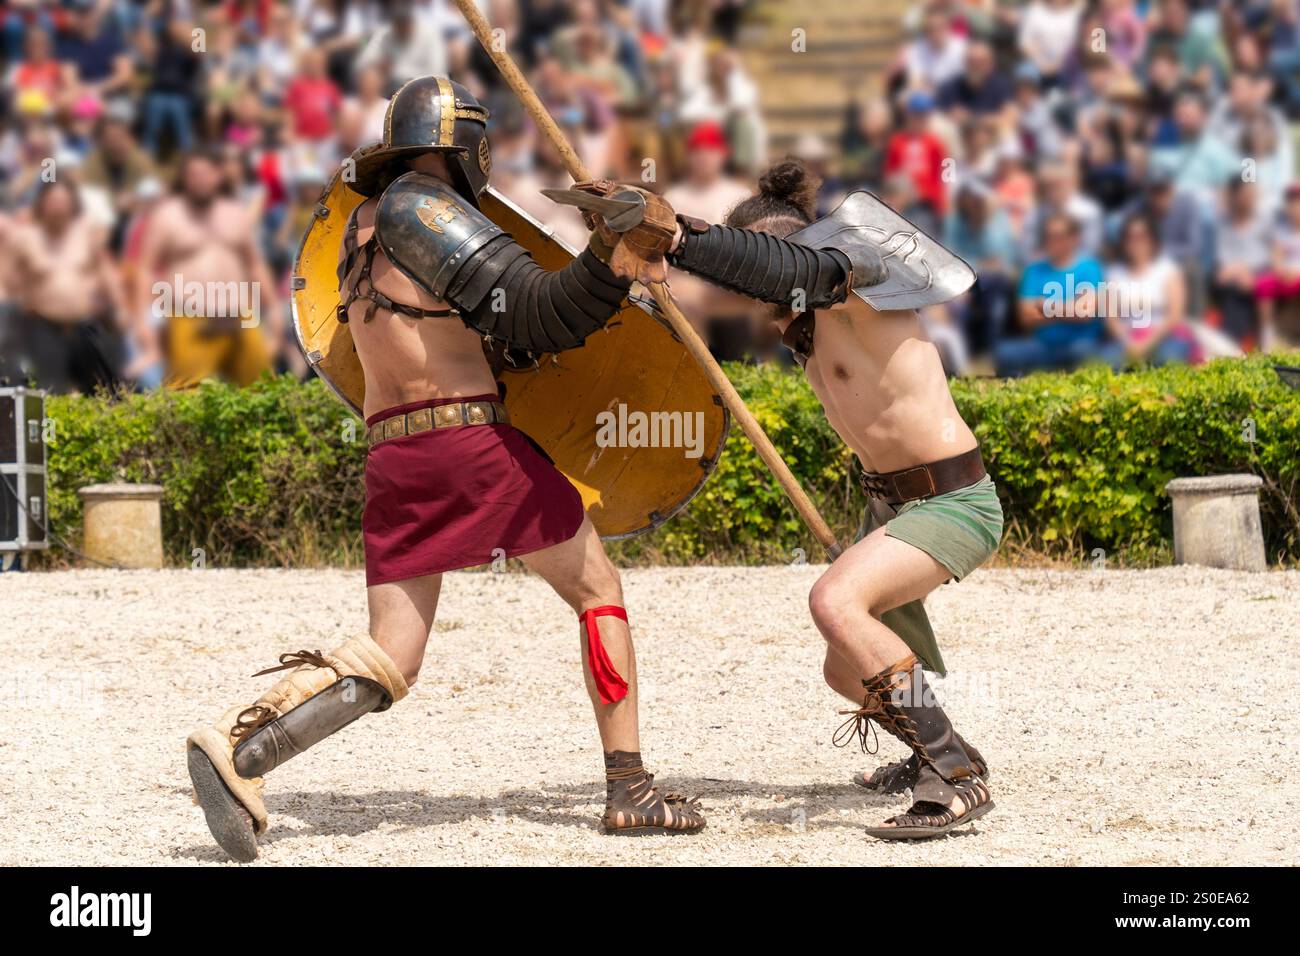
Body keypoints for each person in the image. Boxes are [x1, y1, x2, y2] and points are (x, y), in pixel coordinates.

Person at [186, 77, 706, 862]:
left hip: (396, 451)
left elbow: (490, 333)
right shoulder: (420, 206)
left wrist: (611, 249)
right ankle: (629, 788)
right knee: (599, 590)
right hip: (467, 446)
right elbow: (542, 311)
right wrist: (608, 252)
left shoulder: (362, 226)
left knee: (393, 654)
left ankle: (243, 751)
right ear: (466, 147)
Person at [665, 158, 999, 840]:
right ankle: (945, 747)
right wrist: (644, 261)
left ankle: (956, 777)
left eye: (759, 275)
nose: (757, 296)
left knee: (833, 603)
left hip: (954, 499)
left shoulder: (852, 282)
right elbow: (744, 285)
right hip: (893, 507)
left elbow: (787, 272)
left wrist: (679, 238)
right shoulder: (804, 325)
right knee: (845, 673)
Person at [133, 148, 280, 388]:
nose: (200, 180)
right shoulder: (167, 216)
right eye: (193, 174)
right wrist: (142, 320)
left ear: (218, 176)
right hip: (190, 316)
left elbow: (254, 264)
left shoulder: (235, 214)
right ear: (184, 179)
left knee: (264, 392)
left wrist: (273, 307)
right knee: (185, 399)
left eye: (206, 173)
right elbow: (145, 269)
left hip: (239, 316)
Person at [6, 180, 128, 394]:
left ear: (73, 205)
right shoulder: (25, 238)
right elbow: (7, 279)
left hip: (86, 325)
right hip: (42, 327)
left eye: (63, 201)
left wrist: (119, 308)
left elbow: (107, 272)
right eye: (52, 201)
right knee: (51, 391)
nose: (57, 207)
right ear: (41, 205)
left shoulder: (87, 234)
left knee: (106, 392)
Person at [997, 212, 1108, 376]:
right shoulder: (1034, 270)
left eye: (1058, 236)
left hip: (1080, 345)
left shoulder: (1090, 268)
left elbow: (1085, 312)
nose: (1052, 241)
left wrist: (1045, 306)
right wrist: (1069, 309)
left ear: (1074, 238)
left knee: (1084, 354)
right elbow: (1025, 317)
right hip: (1043, 345)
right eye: (1048, 236)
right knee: (1004, 353)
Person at [1102, 212, 1194, 366]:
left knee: (1167, 359)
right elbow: (1111, 318)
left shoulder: (1167, 270)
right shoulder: (1114, 273)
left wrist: (1147, 343)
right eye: (1130, 238)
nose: (1136, 243)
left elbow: (1174, 315)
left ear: (1152, 240)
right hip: (1126, 339)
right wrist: (1129, 343)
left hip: (1164, 337)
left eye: (1142, 237)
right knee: (1104, 362)